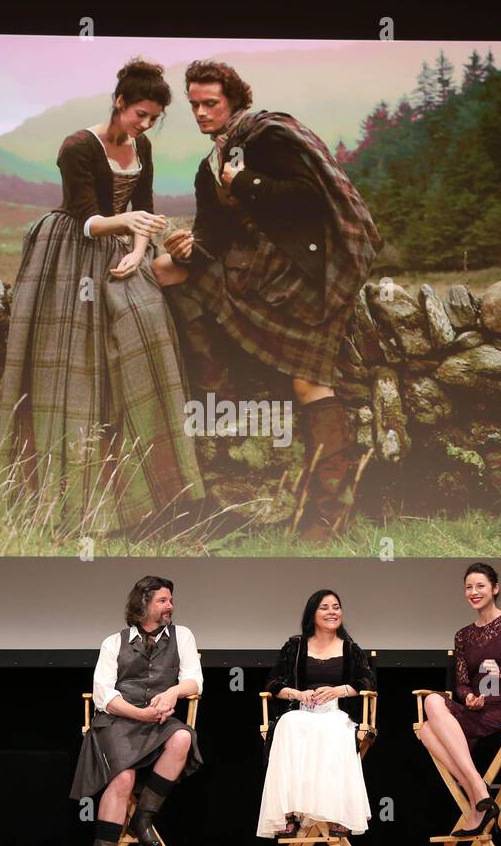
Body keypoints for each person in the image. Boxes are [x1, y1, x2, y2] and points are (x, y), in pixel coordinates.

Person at [154, 59, 382, 543]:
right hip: (256, 274)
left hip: (308, 276)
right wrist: (189, 248)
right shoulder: (208, 166)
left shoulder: (268, 138)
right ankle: (217, 387)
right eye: (194, 104)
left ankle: (327, 517)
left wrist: (245, 183)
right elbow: (212, 235)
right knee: (166, 271)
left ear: (234, 100)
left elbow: (310, 198)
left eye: (210, 103)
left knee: (308, 384)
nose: (200, 112)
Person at [0, 58, 204, 536]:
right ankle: (66, 499)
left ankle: (153, 492)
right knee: (74, 364)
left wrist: (140, 247)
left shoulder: (140, 144)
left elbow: (142, 207)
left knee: (148, 326)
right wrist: (125, 226)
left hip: (120, 245)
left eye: (153, 119)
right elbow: (85, 218)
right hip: (71, 250)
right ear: (119, 102)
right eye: (139, 114)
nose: (144, 125)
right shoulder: (78, 147)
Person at [70, 576, 203, 846]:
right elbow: (103, 695)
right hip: (118, 721)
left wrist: (172, 693)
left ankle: (142, 818)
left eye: (171, 600)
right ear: (143, 604)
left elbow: (194, 681)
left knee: (182, 736)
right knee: (124, 777)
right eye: (162, 600)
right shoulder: (113, 642)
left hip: (159, 722)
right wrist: (141, 713)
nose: (170, 605)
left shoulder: (183, 636)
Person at [417, 563, 501, 836]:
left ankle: (476, 800)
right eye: (469, 587)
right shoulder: (463, 635)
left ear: (495, 588)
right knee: (430, 711)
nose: (474, 592)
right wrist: (469, 696)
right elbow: (461, 682)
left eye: (480, 586)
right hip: (476, 708)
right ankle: (479, 793)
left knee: (428, 726)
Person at [257, 589, 375, 839]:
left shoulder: (350, 648)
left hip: (335, 712)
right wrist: (298, 694)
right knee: (288, 724)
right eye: (324, 607)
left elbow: (367, 682)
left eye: (336, 606)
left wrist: (338, 691)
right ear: (312, 614)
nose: (332, 612)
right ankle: (289, 813)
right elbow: (273, 684)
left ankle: (339, 813)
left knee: (336, 729)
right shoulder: (295, 646)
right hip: (301, 711)